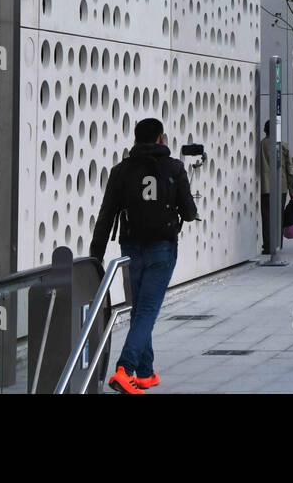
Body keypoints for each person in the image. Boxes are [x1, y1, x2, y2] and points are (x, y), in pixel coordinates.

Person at [90, 118, 199, 394]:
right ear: (161, 138)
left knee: (141, 308)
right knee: (148, 310)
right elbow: (188, 212)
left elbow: (106, 216)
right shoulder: (175, 167)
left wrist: (95, 257)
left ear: (136, 140)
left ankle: (146, 372)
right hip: (162, 248)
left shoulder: (121, 171)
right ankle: (125, 369)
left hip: (131, 248)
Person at [257, 120, 293, 256]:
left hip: (265, 186)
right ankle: (277, 244)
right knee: (279, 215)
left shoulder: (261, 144)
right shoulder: (283, 145)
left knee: (266, 216)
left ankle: (267, 245)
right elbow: (289, 169)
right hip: (281, 186)